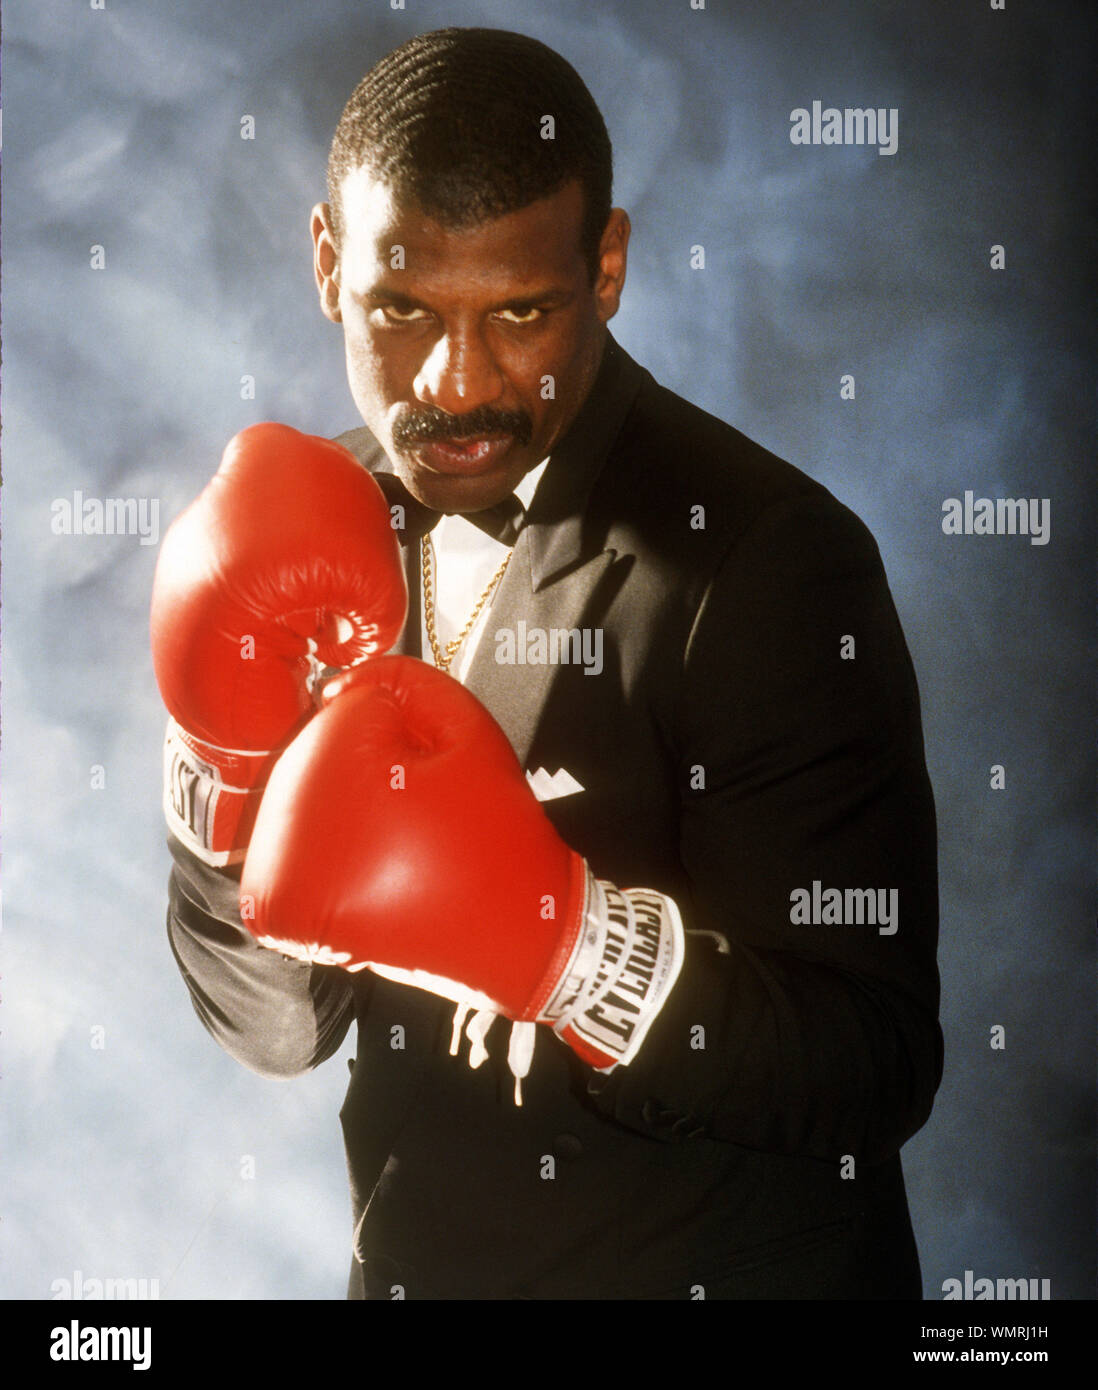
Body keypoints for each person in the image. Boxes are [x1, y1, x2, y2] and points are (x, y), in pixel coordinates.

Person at [156, 26, 942, 1300]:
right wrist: (219, 775)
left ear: (609, 269)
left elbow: (877, 1062)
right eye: (401, 311)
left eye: (521, 314)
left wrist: (576, 954)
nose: (456, 382)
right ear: (325, 264)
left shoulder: (769, 560)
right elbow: (278, 1030)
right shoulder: (305, 537)